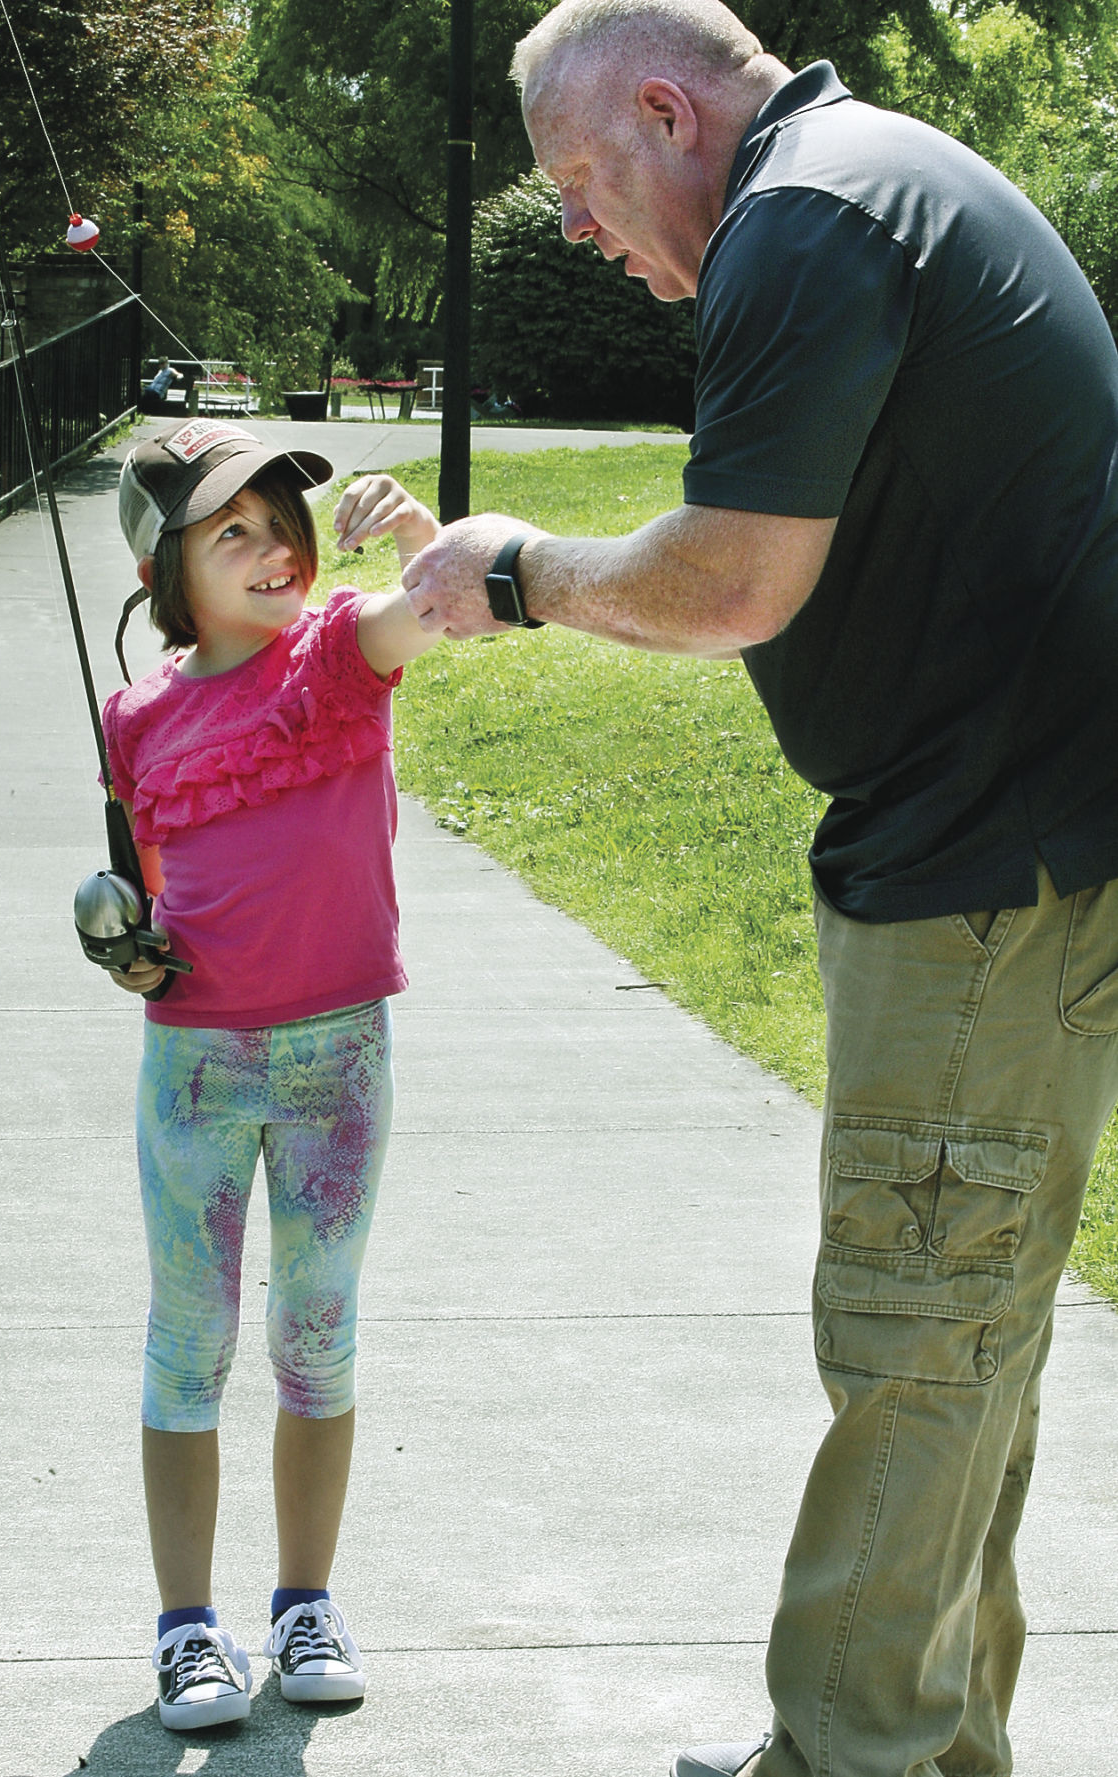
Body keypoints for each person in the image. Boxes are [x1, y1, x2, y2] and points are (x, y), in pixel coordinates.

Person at [398, 3, 1118, 1775]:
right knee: (964, 1344)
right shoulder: (877, 179)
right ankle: (929, 1748)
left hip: (979, 866)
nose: (571, 224)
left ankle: (843, 1755)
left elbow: (726, 578)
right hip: (1026, 844)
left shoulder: (805, 212)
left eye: (577, 177)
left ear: (664, 105)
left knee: (915, 1330)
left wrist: (514, 571)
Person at [104, 417, 441, 1730]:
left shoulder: (338, 656)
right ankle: (187, 1626)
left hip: (336, 1056)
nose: (268, 548)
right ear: (162, 575)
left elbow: (428, 610)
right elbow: (155, 886)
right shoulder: (135, 717)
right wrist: (130, 950)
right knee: (188, 1340)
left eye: (277, 524)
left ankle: (303, 1602)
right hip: (190, 1062)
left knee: (316, 1328)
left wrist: (423, 542)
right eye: (227, 531)